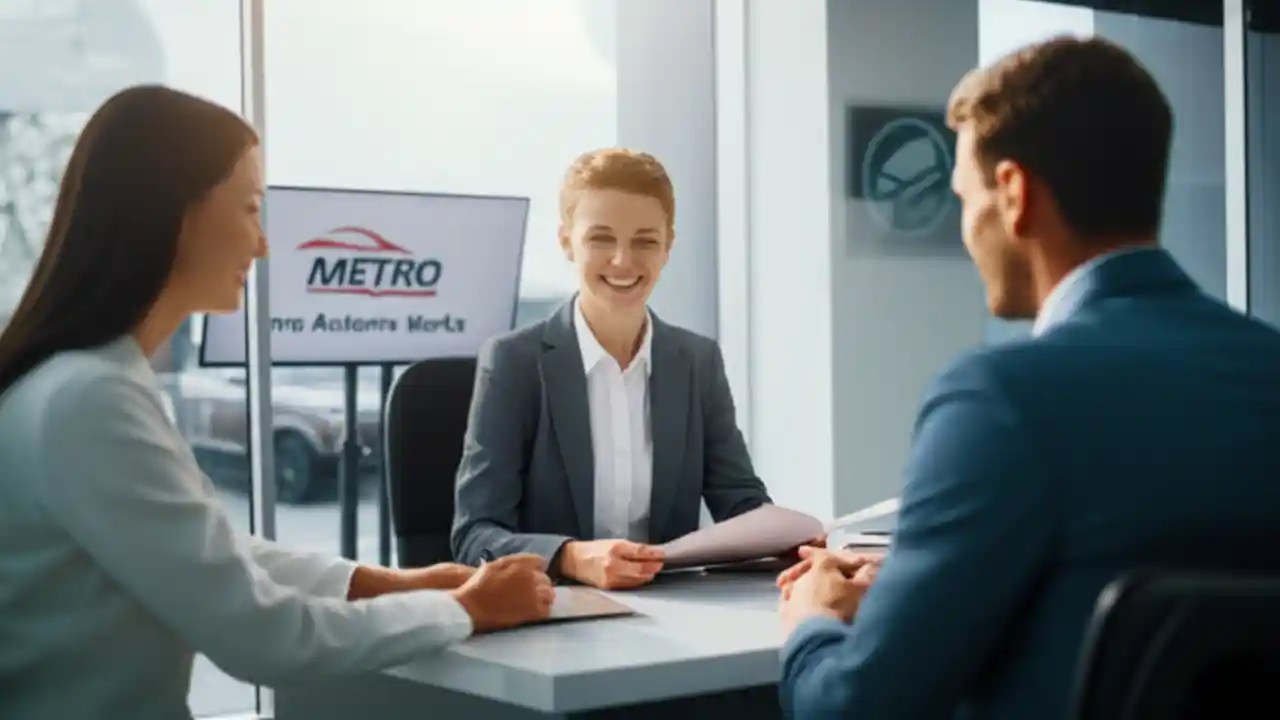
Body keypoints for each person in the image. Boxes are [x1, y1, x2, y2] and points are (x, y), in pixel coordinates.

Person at [0, 85, 553, 720]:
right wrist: (465, 608)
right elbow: (266, 638)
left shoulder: (77, 381)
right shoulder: (91, 401)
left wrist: (391, 583)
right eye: (249, 209)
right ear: (174, 214)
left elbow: (211, 553)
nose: (262, 244)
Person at [776, 35, 1280, 719]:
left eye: (965, 198)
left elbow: (856, 709)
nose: (966, 229)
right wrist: (927, 585)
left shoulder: (1002, 399)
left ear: (1013, 193)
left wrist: (811, 622)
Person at [451, 148, 773, 589]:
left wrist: (796, 545)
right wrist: (570, 558)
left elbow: (741, 505)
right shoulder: (514, 363)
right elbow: (474, 535)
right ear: (567, 241)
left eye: (645, 241)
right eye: (601, 239)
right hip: (554, 606)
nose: (623, 260)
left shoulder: (698, 361)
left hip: (676, 605)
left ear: (668, 246)